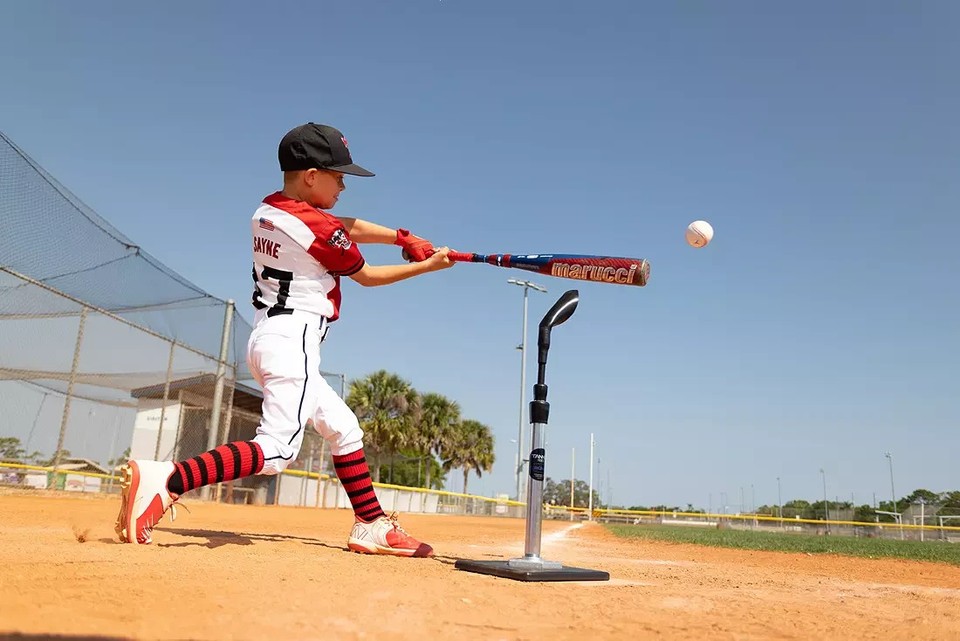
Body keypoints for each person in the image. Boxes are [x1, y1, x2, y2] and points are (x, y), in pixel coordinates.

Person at [115, 122, 453, 557]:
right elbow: (367, 275)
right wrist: (427, 266)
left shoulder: (270, 209)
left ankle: (370, 524)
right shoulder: (314, 226)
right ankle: (168, 480)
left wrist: (401, 236)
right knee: (276, 451)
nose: (345, 184)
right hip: (293, 340)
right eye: (338, 175)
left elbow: (338, 225)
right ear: (311, 175)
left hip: (271, 336)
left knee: (344, 428)